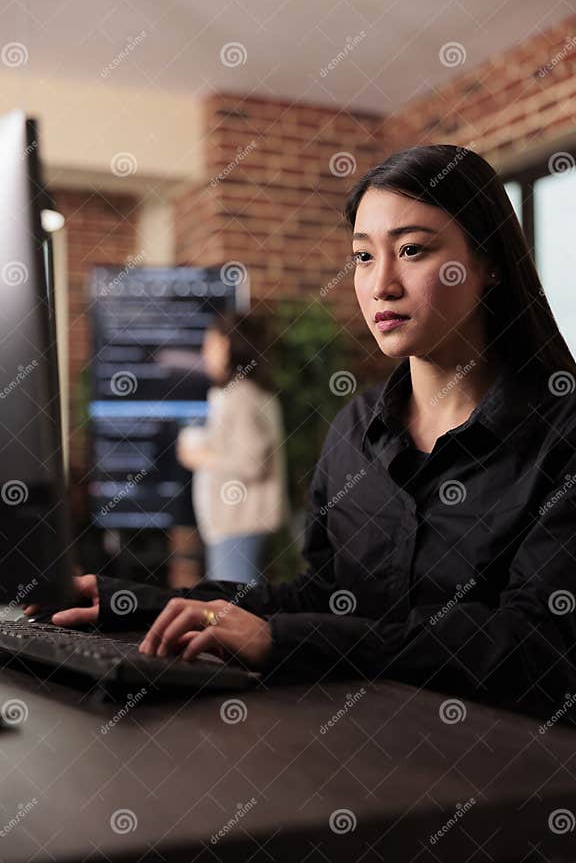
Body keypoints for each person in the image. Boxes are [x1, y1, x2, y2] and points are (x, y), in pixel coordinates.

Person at [24, 144, 576, 716]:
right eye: (363, 257)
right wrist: (140, 604)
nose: (381, 284)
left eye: (411, 250)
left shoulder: (561, 432)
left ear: (488, 264)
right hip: (362, 756)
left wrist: (287, 641)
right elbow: (324, 595)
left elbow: (536, 651)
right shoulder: (356, 429)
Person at [176, 312, 289, 584]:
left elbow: (252, 463)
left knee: (235, 611)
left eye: (210, 344)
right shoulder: (247, 392)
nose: (204, 353)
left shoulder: (240, 396)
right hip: (240, 525)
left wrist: (199, 456)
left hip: (239, 525)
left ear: (227, 345)